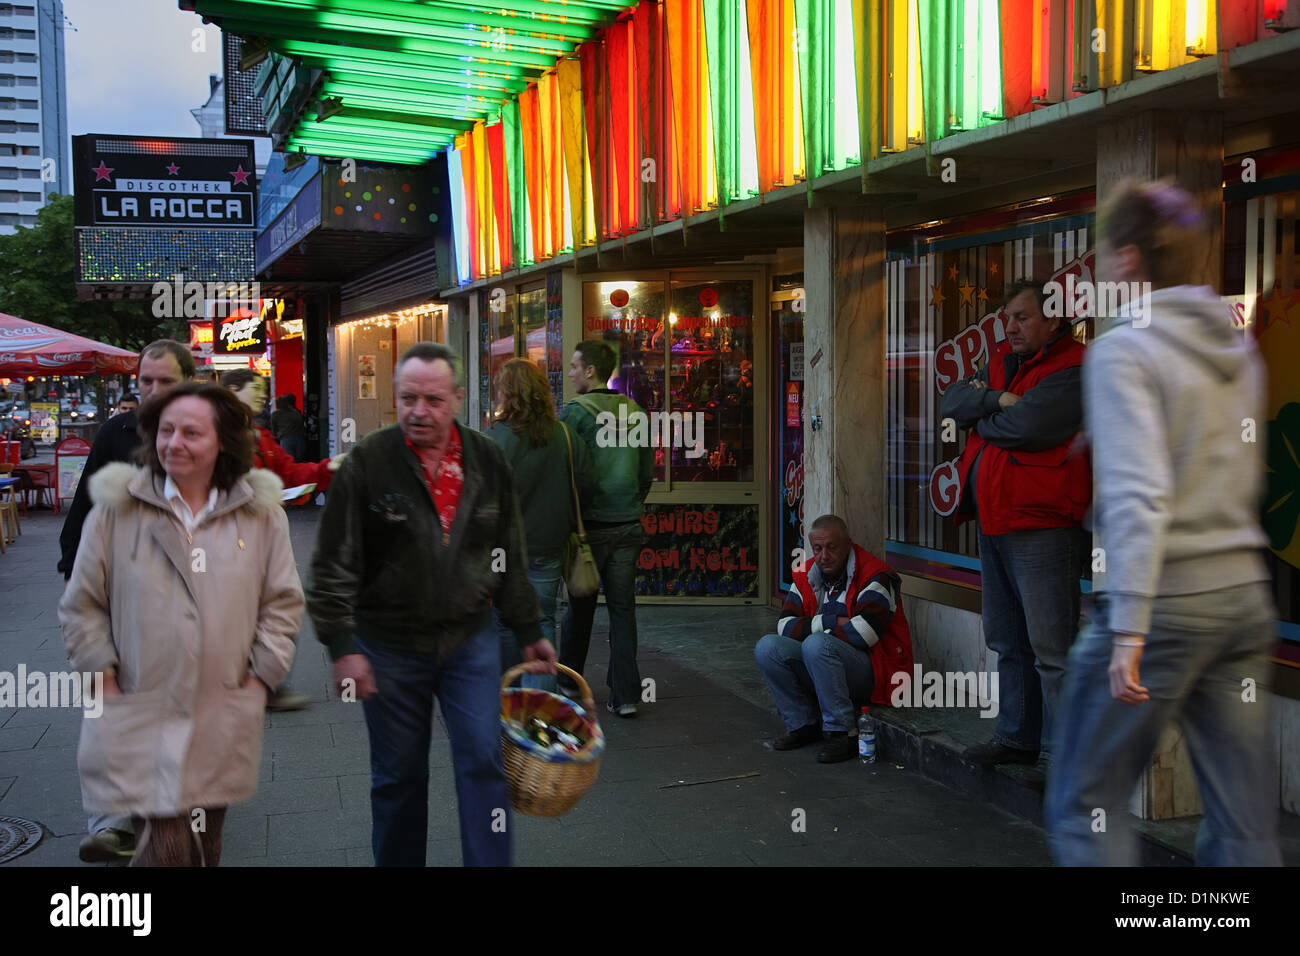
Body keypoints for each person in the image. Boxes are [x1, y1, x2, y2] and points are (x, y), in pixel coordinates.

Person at [1046, 181, 1281, 866]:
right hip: (1241, 599)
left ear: (1126, 261)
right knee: (1245, 824)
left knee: (1084, 804)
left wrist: (1130, 632)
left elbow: (1140, 496)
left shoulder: (1126, 351)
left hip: (1161, 607)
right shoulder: (1237, 347)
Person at [307, 342, 557, 867]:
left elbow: (508, 550)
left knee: (484, 764)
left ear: (459, 399)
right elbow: (332, 563)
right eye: (408, 398)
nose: (419, 411)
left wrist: (529, 627)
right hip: (389, 646)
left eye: (434, 400)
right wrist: (342, 645)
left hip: (471, 639)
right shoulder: (369, 462)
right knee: (398, 776)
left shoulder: (487, 458)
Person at [58, 382, 303, 867]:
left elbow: (281, 602)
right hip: (140, 706)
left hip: (221, 710)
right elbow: (82, 603)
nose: (175, 443)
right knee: (165, 842)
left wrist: (260, 679)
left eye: (192, 432)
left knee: (206, 841)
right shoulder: (116, 511)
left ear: (223, 442)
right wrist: (101, 676)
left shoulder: (260, 517)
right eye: (167, 431)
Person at [939, 279, 1091, 785]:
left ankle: (1059, 756)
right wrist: (996, 399)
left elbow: (1029, 427)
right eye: (1007, 319)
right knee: (1007, 639)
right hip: (996, 522)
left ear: (1053, 319)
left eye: (1022, 318)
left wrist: (985, 417)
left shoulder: (1074, 368)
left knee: (1052, 648)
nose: (1011, 328)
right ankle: (1016, 737)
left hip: (1044, 528)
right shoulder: (1004, 363)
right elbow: (953, 398)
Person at [57, 338, 194, 863]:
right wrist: (75, 578)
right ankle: (112, 821)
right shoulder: (116, 432)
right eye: (145, 381)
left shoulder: (209, 435)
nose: (153, 391)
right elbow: (85, 508)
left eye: (165, 381)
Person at [221, 369, 340, 711]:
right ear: (230, 390)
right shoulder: (213, 433)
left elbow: (288, 473)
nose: (262, 395)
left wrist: (329, 468)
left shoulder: (258, 436)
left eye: (263, 388)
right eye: (254, 389)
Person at [755, 515, 915, 763]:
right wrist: (830, 622)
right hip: (826, 662)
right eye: (817, 549)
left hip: (877, 670)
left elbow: (864, 634)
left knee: (816, 644)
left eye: (832, 547)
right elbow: (785, 627)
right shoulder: (806, 574)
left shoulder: (877, 575)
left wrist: (814, 634)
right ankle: (802, 724)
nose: (824, 556)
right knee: (767, 647)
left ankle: (842, 732)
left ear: (847, 545)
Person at [558, 340, 653, 716]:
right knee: (623, 610)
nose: (570, 373)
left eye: (574, 366)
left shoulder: (576, 414)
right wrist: (631, 502)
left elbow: (565, 471)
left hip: (591, 527)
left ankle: (569, 683)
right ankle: (627, 695)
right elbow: (646, 472)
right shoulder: (635, 412)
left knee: (579, 608)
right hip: (628, 523)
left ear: (591, 371)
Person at [487, 358, 592, 691]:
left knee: (505, 623)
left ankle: (509, 697)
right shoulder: (565, 435)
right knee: (542, 619)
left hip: (504, 553)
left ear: (505, 393)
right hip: (549, 547)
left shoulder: (492, 440)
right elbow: (586, 483)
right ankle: (538, 707)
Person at [271, 393, 307, 461]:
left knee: (289, 460)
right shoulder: (296, 412)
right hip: (299, 438)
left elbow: (274, 429)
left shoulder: (275, 414)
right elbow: (301, 424)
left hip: (285, 439)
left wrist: (276, 436)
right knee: (299, 460)